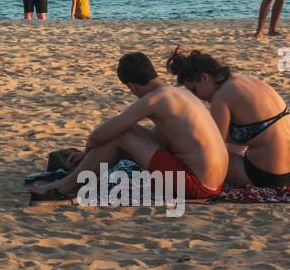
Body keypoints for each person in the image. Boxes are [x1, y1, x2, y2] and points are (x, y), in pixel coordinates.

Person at [47, 52, 228, 200]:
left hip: (195, 185)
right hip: (214, 183)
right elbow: (158, 142)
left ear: (132, 87)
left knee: (121, 134)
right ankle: (77, 177)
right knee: (127, 133)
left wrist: (86, 153)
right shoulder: (178, 93)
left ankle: (67, 186)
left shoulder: (155, 99)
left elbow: (98, 136)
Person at [166, 48, 290, 188]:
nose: (196, 96)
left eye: (194, 90)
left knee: (195, 159)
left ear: (205, 78)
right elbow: (250, 132)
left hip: (270, 176)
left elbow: (214, 147)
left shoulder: (221, 98)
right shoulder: (244, 80)